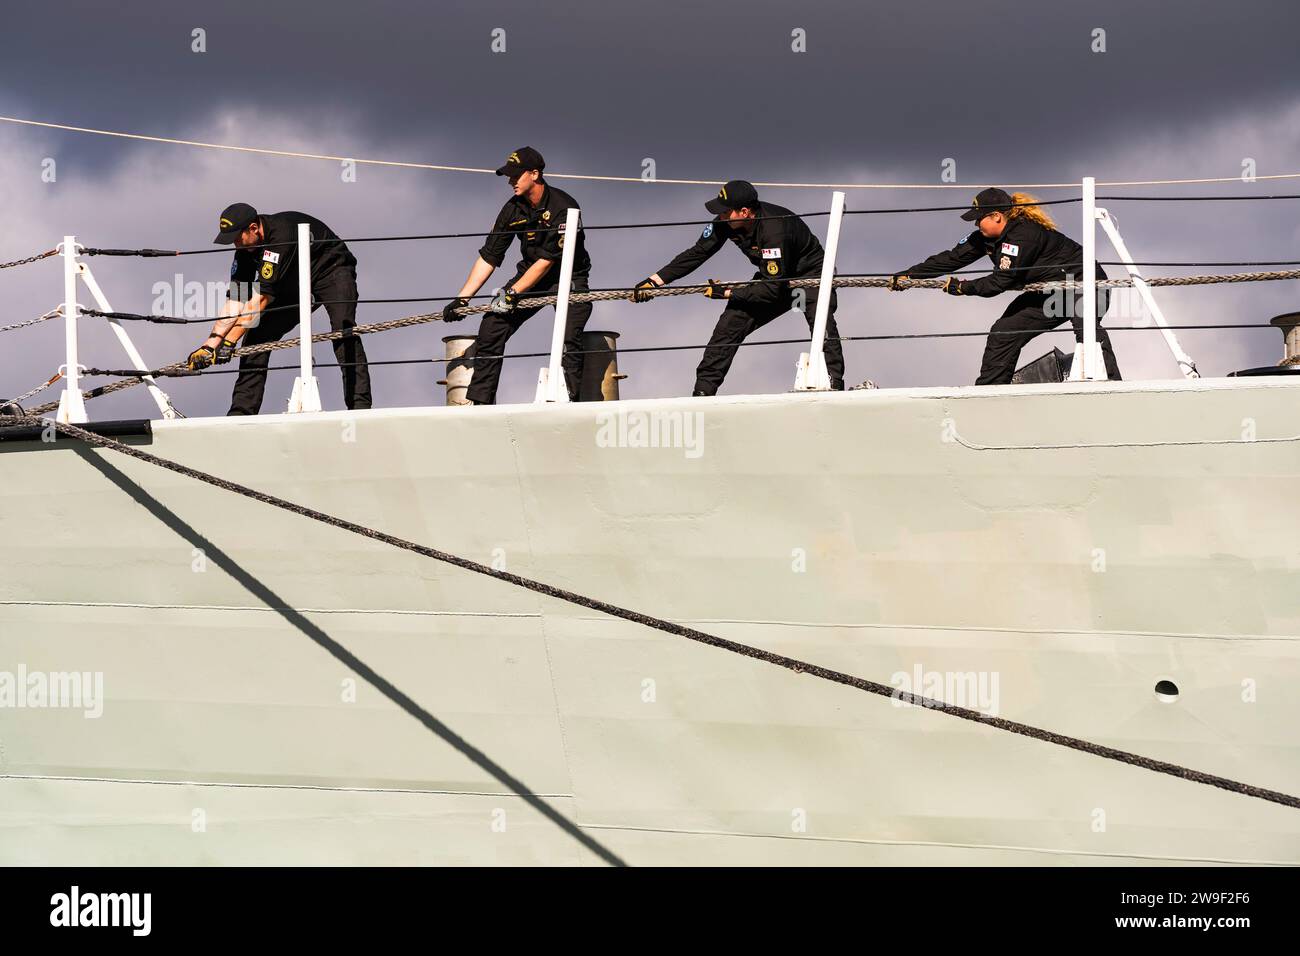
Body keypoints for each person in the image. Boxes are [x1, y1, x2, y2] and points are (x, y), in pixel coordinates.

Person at [630, 179, 845, 395]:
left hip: (808, 277)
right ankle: (702, 394)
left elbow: (772, 291)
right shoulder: (726, 222)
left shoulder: (774, 230)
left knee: (821, 325)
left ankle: (834, 384)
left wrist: (728, 293)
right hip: (772, 278)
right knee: (730, 324)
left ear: (744, 212)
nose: (720, 216)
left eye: (725, 212)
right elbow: (698, 252)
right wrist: (655, 281)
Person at [890, 187, 1122, 384]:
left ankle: (1112, 386)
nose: (976, 225)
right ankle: (989, 395)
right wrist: (910, 275)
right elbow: (951, 258)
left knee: (1086, 327)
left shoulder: (1023, 235)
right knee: (1003, 332)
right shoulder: (985, 238)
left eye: (979, 219)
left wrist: (963, 287)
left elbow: (1000, 282)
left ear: (997, 217)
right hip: (1050, 293)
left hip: (1086, 284)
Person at [186, 203, 371, 414]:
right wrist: (210, 344)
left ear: (254, 228)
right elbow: (237, 299)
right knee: (256, 335)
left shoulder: (280, 236)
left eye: (238, 237)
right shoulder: (245, 250)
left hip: (331, 270)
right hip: (289, 282)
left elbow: (262, 298)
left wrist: (230, 341)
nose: (235, 244)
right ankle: (241, 413)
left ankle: (359, 408)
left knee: (343, 330)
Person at [442, 147, 592, 404]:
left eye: (515, 176)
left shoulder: (563, 207)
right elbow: (490, 256)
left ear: (534, 174)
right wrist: (462, 299)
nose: (511, 181)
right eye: (509, 177)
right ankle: (481, 403)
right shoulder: (512, 209)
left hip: (568, 277)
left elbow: (547, 261)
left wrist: (511, 294)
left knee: (569, 339)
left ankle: (570, 402)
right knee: (492, 324)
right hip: (528, 276)